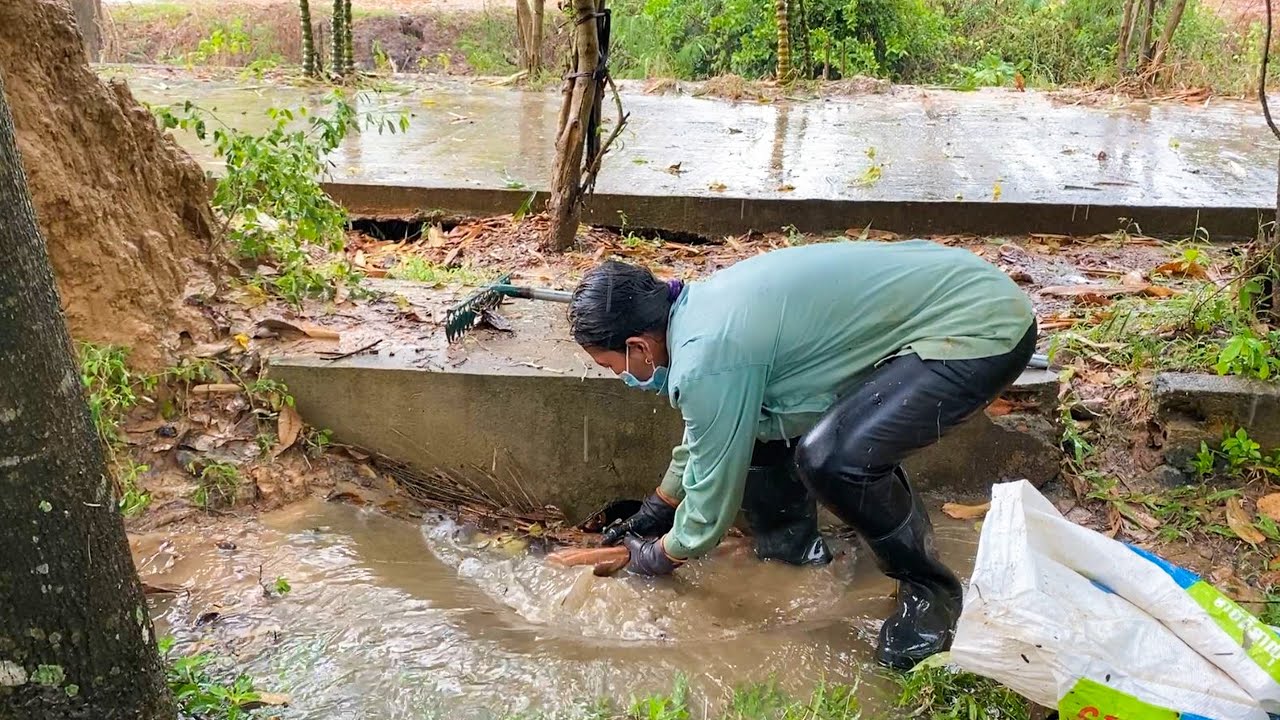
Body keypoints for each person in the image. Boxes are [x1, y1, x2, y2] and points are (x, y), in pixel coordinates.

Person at [567, 239, 1036, 670]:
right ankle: (795, 556)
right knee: (767, 432)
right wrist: (656, 511)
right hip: (955, 291)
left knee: (834, 459)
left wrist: (659, 555)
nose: (621, 376)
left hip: (979, 326)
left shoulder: (707, 356)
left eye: (611, 366)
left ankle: (929, 593)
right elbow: (712, 437)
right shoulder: (697, 314)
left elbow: (709, 511)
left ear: (637, 346)